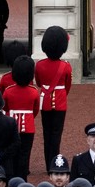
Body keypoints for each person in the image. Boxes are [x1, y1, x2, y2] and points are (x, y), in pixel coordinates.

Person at [35, 25, 73, 174]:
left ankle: (47, 164)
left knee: (47, 133)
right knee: (56, 134)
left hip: (45, 102)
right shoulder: (66, 66)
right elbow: (67, 86)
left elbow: (38, 83)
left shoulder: (39, 65)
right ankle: (54, 163)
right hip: (60, 102)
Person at [3, 54, 40, 180]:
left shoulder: (8, 91)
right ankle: (22, 179)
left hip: (11, 126)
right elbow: (35, 111)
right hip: (28, 127)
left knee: (11, 154)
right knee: (24, 155)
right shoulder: (34, 91)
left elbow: (5, 108)